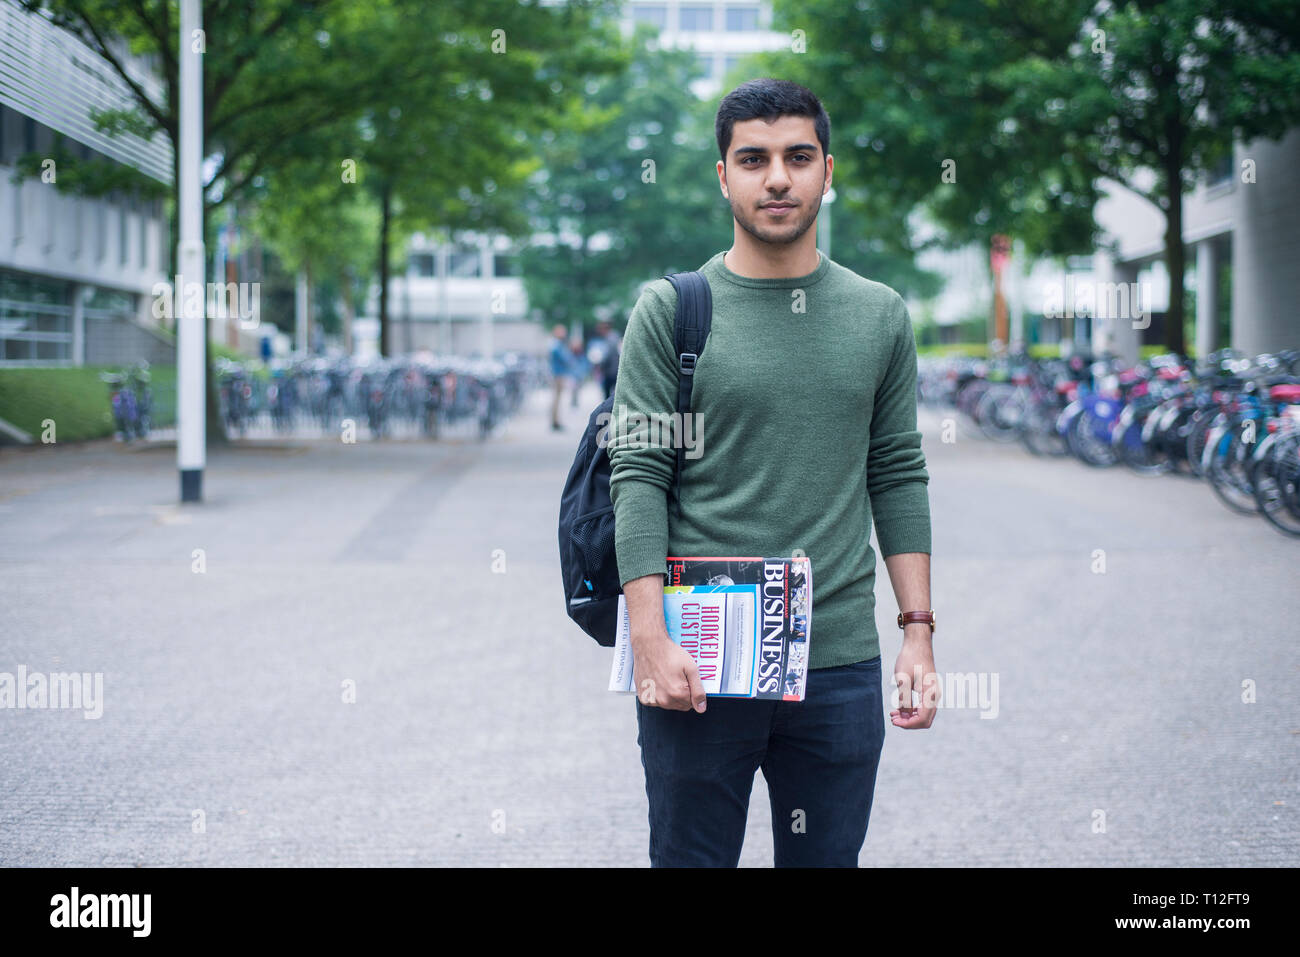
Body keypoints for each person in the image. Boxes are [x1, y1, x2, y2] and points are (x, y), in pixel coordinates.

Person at [607, 78, 939, 868]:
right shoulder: (672, 311)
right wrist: (648, 636)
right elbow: (639, 473)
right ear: (723, 176)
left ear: (829, 168)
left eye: (797, 157)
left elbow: (897, 472)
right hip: (701, 661)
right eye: (752, 159)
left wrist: (917, 635)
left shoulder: (878, 313)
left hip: (838, 664)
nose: (778, 178)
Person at [548, 324, 571, 431]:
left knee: (557, 399)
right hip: (558, 375)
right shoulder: (557, 345)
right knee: (556, 399)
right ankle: (555, 421)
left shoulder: (556, 344)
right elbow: (565, 358)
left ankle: (555, 420)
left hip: (558, 374)